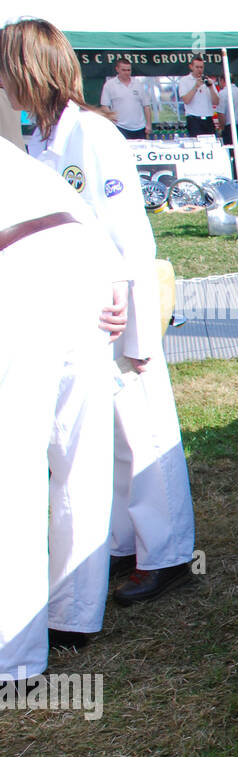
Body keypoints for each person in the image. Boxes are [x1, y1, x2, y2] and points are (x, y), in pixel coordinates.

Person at [5, 18, 196, 608]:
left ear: (27, 69)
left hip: (119, 307)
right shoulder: (34, 141)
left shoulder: (92, 134)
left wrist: (138, 326)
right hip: (74, 311)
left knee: (143, 433)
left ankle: (167, 554)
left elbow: (129, 236)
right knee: (99, 441)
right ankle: (119, 545)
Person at [0, 137, 127, 682]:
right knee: (80, 452)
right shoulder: (14, 157)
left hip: (23, 273)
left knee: (13, 473)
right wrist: (115, 287)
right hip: (86, 265)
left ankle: (12, 658)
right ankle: (75, 614)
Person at [100, 58, 151, 140]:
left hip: (139, 127)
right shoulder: (109, 85)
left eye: (129, 70)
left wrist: (148, 124)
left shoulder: (138, 84)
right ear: (117, 69)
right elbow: (104, 106)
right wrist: (112, 120)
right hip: (120, 126)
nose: (127, 73)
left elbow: (146, 106)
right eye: (124, 70)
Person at [177, 54, 219, 137]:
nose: (199, 70)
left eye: (201, 67)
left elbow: (216, 102)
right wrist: (196, 86)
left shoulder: (208, 81)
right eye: (197, 67)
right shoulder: (184, 81)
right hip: (194, 119)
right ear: (191, 67)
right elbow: (186, 100)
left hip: (208, 118)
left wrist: (211, 88)